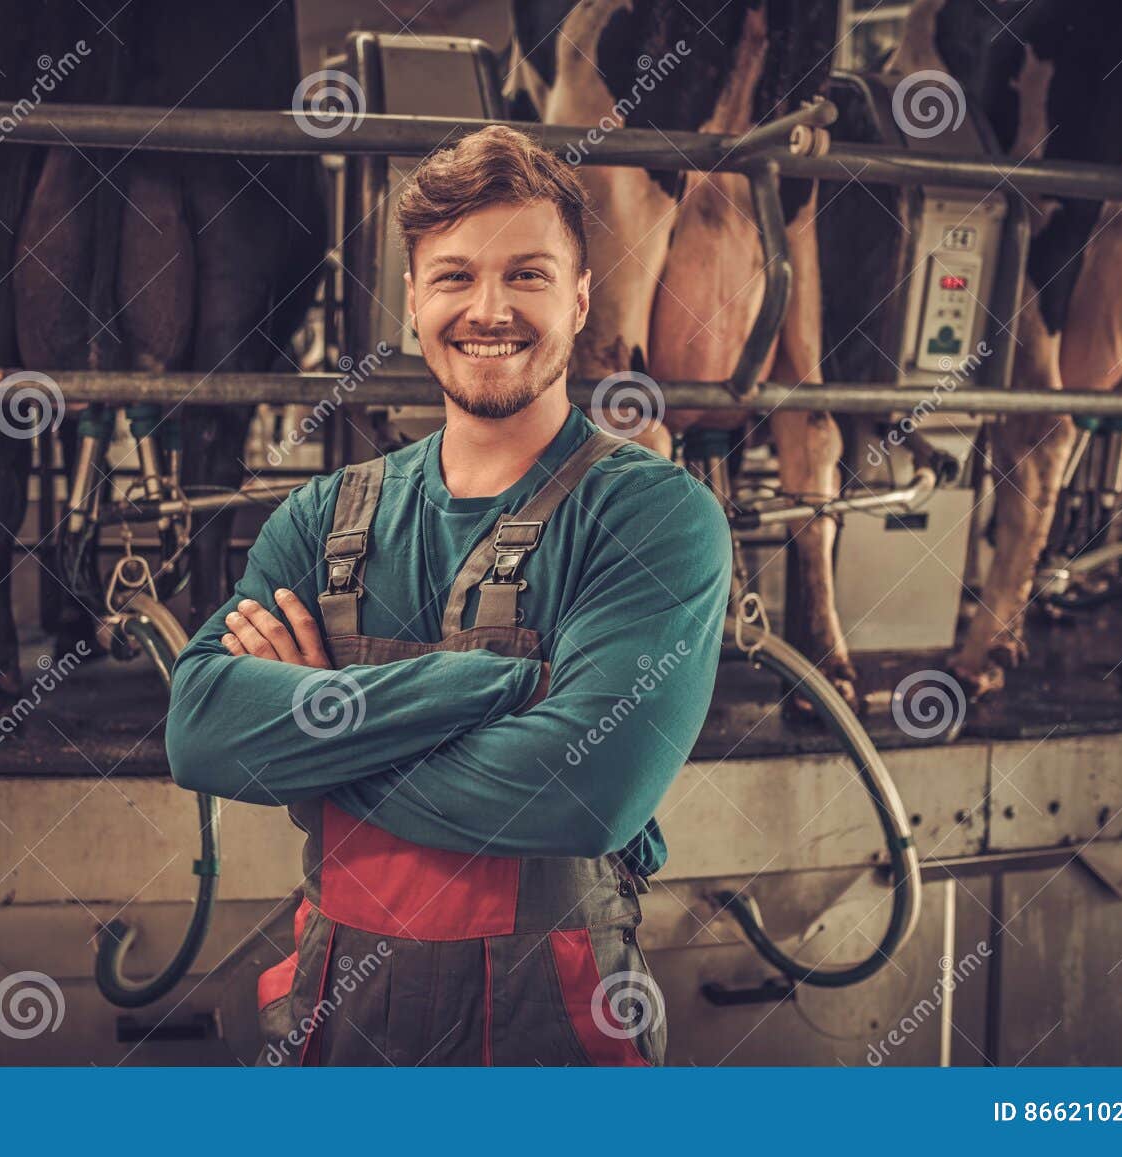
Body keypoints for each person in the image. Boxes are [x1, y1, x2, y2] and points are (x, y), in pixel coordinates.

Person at [166, 124, 731, 1066]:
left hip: (552, 1030)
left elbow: (585, 791)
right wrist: (488, 689)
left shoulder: (651, 516)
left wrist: (311, 734)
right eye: (456, 275)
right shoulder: (321, 517)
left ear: (581, 297)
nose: (490, 308)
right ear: (413, 301)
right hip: (336, 1018)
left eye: (529, 275)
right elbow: (200, 730)